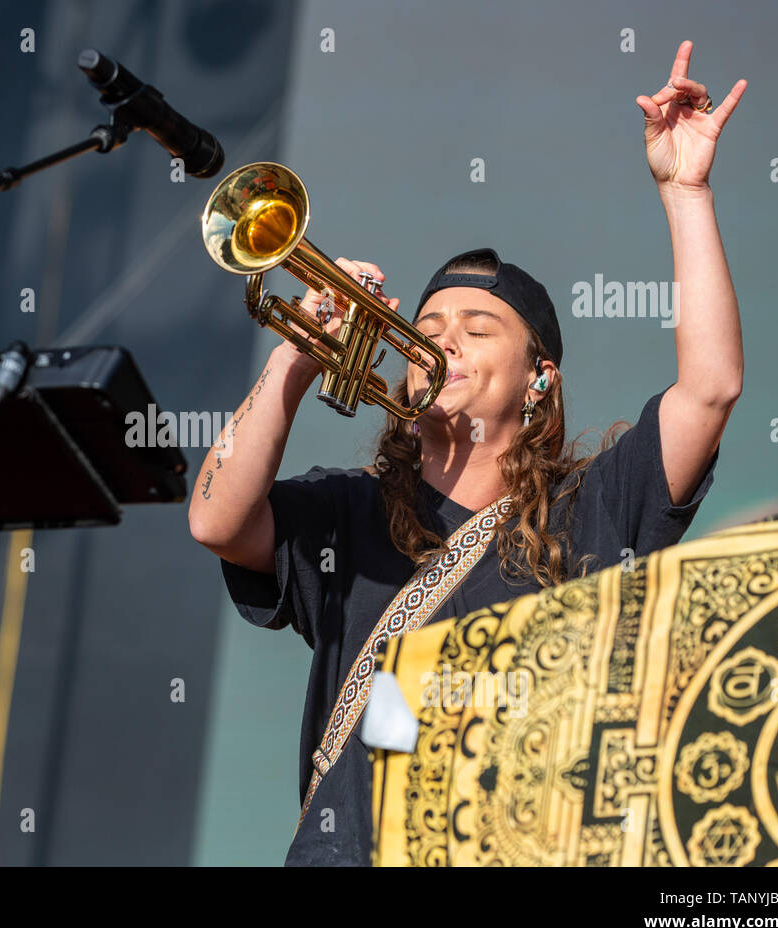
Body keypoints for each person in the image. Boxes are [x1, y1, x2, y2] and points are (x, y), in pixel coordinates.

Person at [188, 40, 747, 866]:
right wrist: (294, 358)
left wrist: (686, 191)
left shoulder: (591, 511)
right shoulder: (351, 510)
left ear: (538, 381)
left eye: (478, 330)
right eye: (430, 329)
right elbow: (216, 518)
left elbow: (709, 389)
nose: (441, 340)